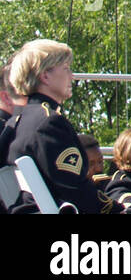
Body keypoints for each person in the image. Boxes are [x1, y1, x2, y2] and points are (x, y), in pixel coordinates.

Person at [4, 39, 118, 214]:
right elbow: (75, 189)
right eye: (66, 68)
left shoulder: (15, 122)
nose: (71, 76)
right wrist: (121, 209)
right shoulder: (49, 123)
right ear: (45, 76)